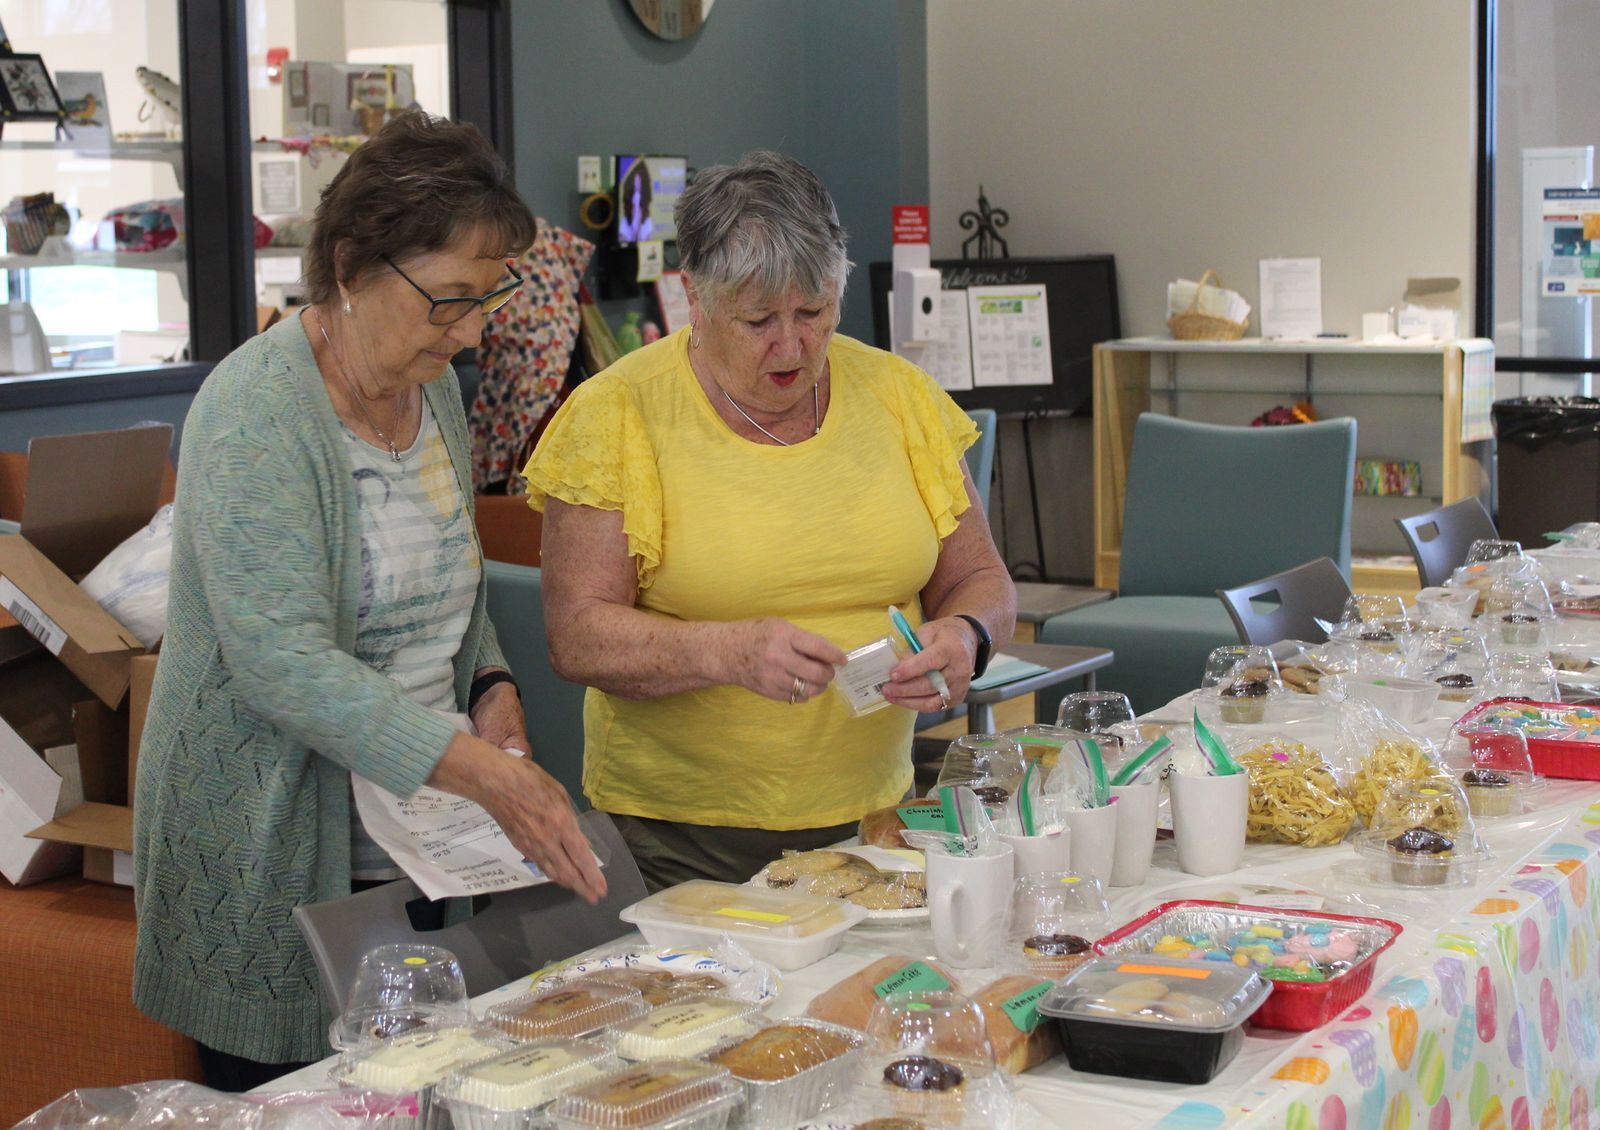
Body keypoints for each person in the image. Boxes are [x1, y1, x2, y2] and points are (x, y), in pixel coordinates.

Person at [132, 111, 605, 1091]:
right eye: (450, 301)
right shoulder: (254, 411)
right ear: (351, 267)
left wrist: (489, 682)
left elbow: (450, 573)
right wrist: (485, 772)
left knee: (416, 1088)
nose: (473, 332)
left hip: (416, 845)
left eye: (489, 297)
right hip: (274, 865)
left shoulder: (428, 385)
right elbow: (281, 664)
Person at [526, 150, 1016, 891]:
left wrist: (968, 637)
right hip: (684, 844)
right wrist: (724, 652)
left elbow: (981, 578)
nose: (791, 347)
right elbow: (577, 636)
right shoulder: (615, 415)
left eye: (813, 312)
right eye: (757, 320)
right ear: (692, 297)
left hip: (877, 824)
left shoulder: (899, 396)